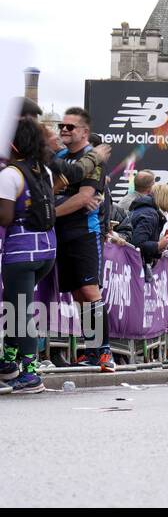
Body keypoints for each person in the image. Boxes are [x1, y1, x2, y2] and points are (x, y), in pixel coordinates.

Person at [51, 107, 113, 371]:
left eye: (70, 127)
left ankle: (103, 351)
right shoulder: (60, 156)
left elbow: (84, 197)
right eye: (62, 126)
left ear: (84, 132)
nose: (64, 130)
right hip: (60, 233)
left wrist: (49, 212)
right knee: (77, 294)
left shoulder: (93, 158)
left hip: (85, 233)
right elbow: (50, 188)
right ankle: (90, 349)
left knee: (89, 291)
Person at [0, 117, 58, 393]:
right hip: (47, 250)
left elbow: (5, 217)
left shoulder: (10, 175)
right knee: (16, 306)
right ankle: (8, 364)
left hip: (21, 253)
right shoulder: (42, 170)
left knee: (20, 311)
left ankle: (30, 373)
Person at [129, 181, 168, 267]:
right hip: (133, 265)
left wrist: (158, 250)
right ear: (166, 199)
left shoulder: (149, 212)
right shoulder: (150, 214)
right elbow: (137, 244)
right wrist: (158, 245)